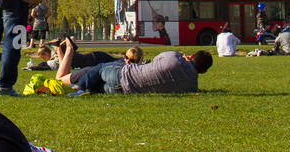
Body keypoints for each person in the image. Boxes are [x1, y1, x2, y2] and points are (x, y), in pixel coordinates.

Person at [69, 49, 212, 96]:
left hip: (123, 74)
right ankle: (83, 90)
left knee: (100, 68)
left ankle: (77, 88)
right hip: (124, 90)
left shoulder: (174, 57)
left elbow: (157, 60)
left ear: (191, 56)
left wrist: (181, 57)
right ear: (204, 71)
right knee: (97, 88)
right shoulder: (192, 86)